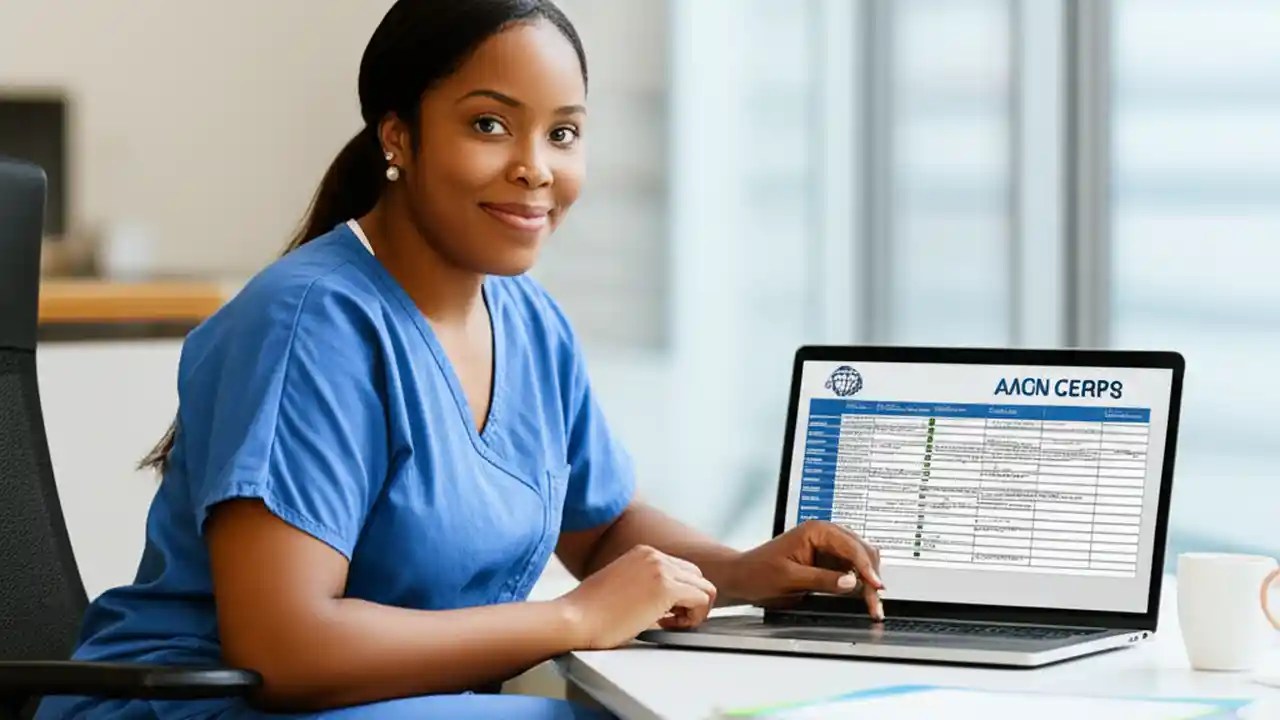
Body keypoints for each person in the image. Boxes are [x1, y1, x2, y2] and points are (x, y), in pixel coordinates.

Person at [36, 1, 884, 718]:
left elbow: (603, 527)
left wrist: (743, 571)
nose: (534, 168)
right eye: (490, 124)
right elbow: (285, 647)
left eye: (564, 133)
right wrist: (575, 620)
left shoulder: (528, 319)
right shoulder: (311, 325)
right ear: (398, 136)